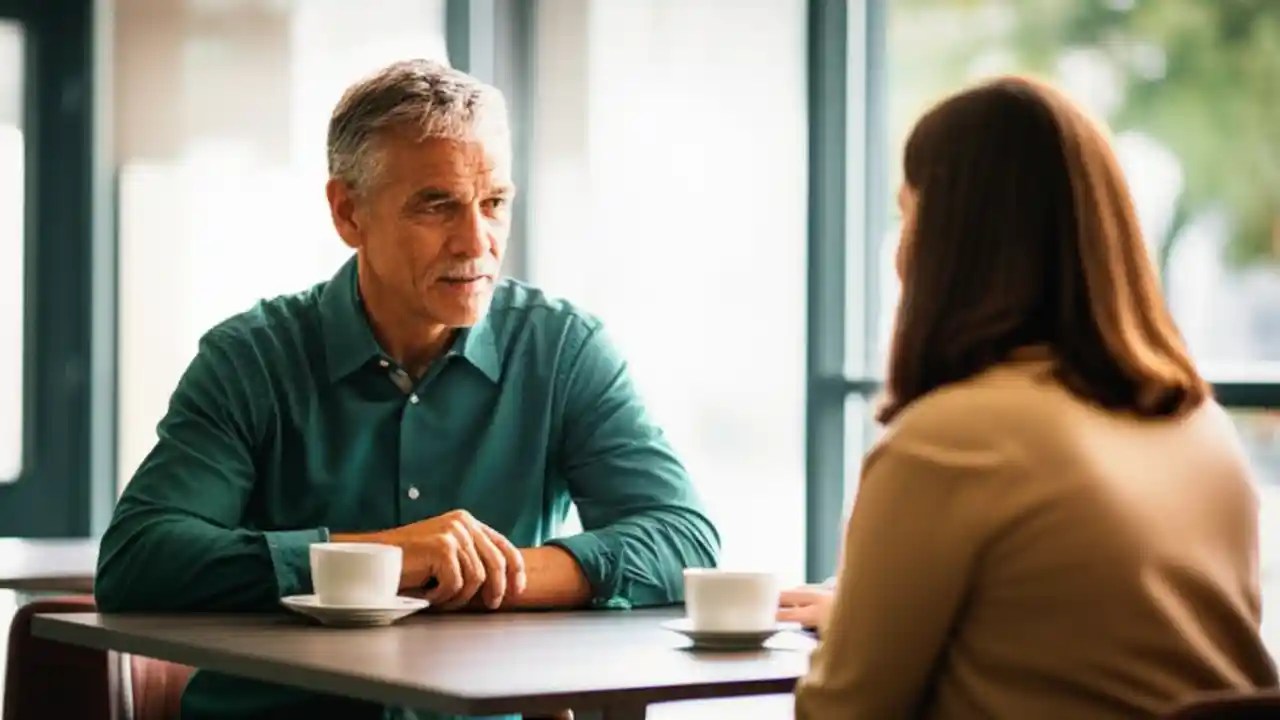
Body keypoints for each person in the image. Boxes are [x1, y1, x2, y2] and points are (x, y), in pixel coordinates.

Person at [95, 59, 720, 720]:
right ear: (348, 212)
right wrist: (381, 558)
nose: (477, 243)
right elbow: (141, 559)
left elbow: (682, 539)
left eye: (494, 203)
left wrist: (481, 575)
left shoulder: (562, 350)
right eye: (436, 205)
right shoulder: (251, 358)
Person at [787, 76, 1278, 719]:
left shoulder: (951, 439)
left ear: (951, 244)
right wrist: (864, 617)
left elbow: (842, 714)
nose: (899, 252)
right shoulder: (1196, 425)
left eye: (909, 213)